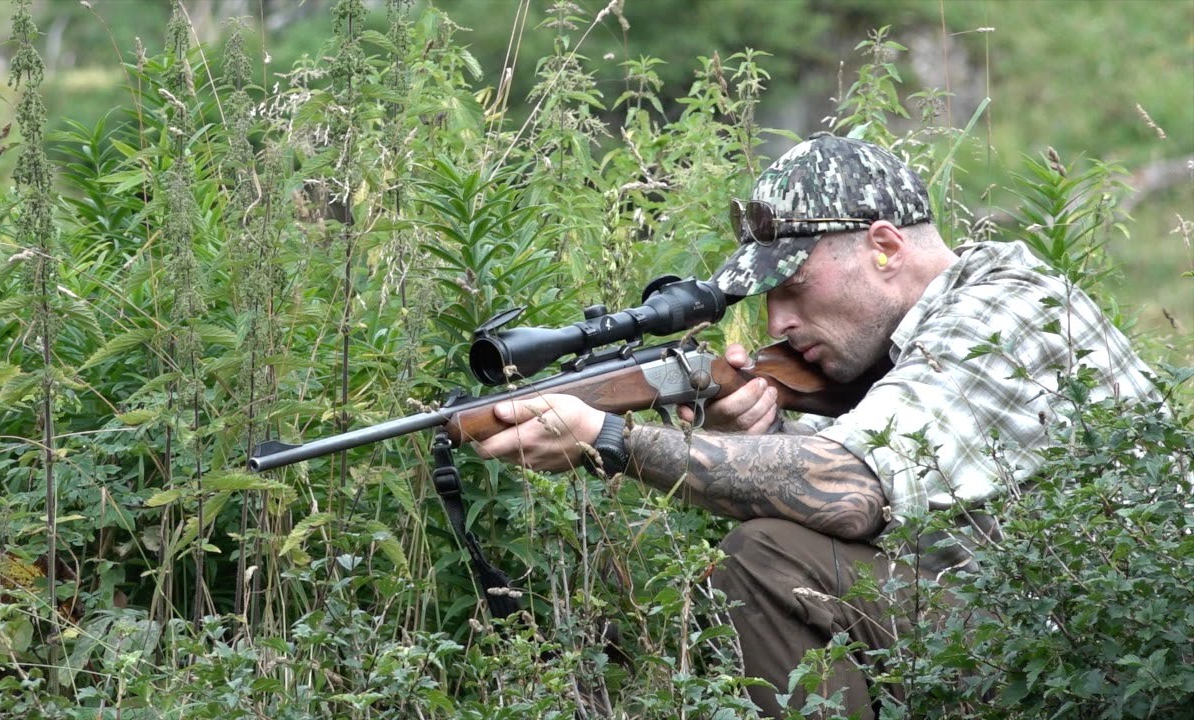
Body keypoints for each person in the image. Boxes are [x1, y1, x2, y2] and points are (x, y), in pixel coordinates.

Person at [473, 132, 1157, 717]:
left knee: (766, 558)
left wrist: (609, 439)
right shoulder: (927, 338)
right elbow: (917, 485)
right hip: (1048, 624)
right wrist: (755, 439)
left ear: (884, 247)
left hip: (1112, 649)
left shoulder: (1001, 311)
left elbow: (853, 489)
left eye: (794, 287)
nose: (778, 324)